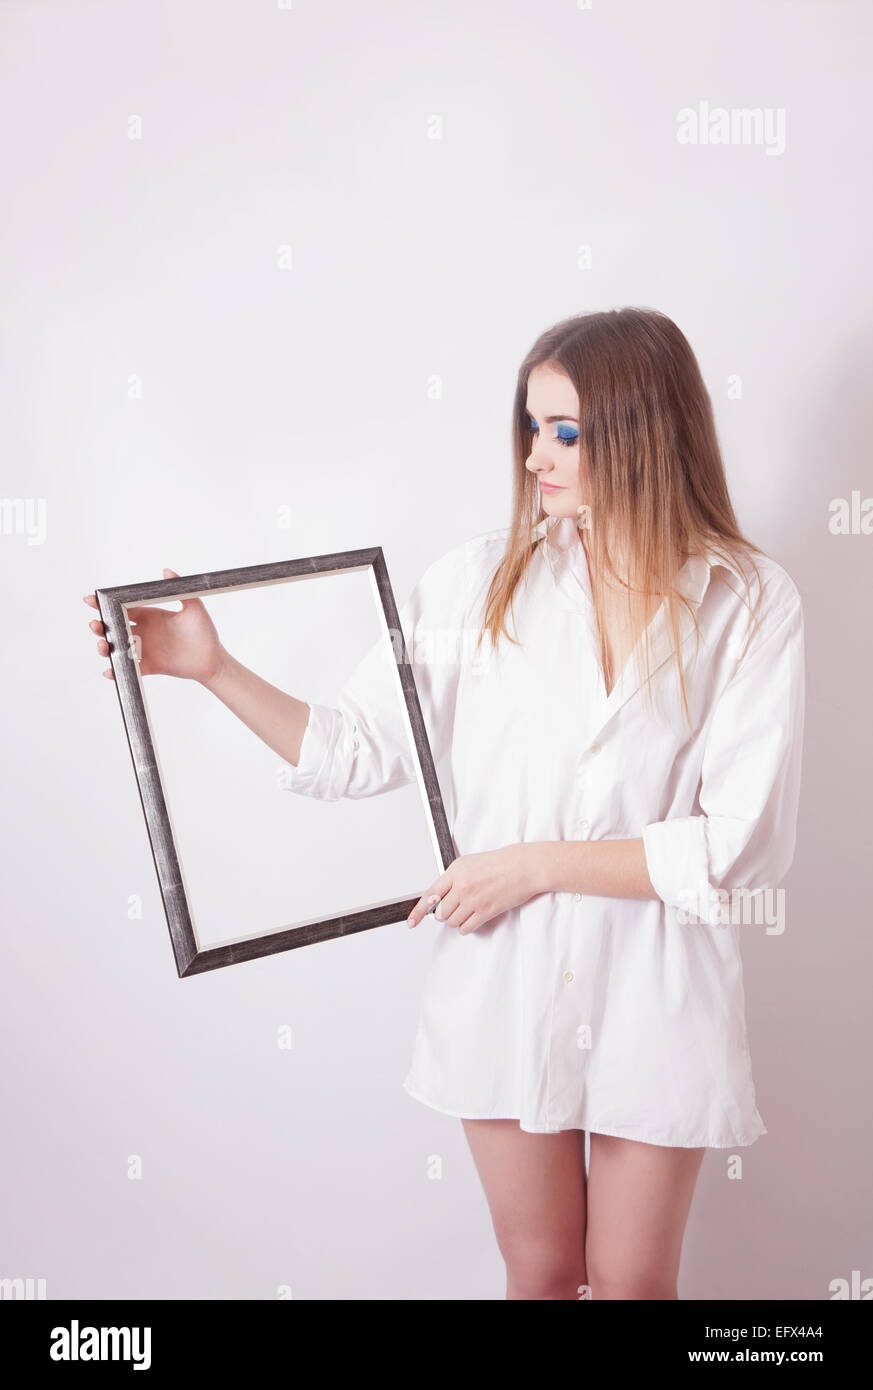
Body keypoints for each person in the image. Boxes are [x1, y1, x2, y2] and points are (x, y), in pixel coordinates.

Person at [84, 307, 806, 1300]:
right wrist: (212, 666)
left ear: (642, 432)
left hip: (657, 989)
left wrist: (533, 863)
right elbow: (354, 747)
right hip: (501, 986)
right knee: (543, 1272)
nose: (534, 457)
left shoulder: (750, 600)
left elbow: (741, 844)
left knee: (633, 1282)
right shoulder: (476, 586)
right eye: (529, 426)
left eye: (564, 431)